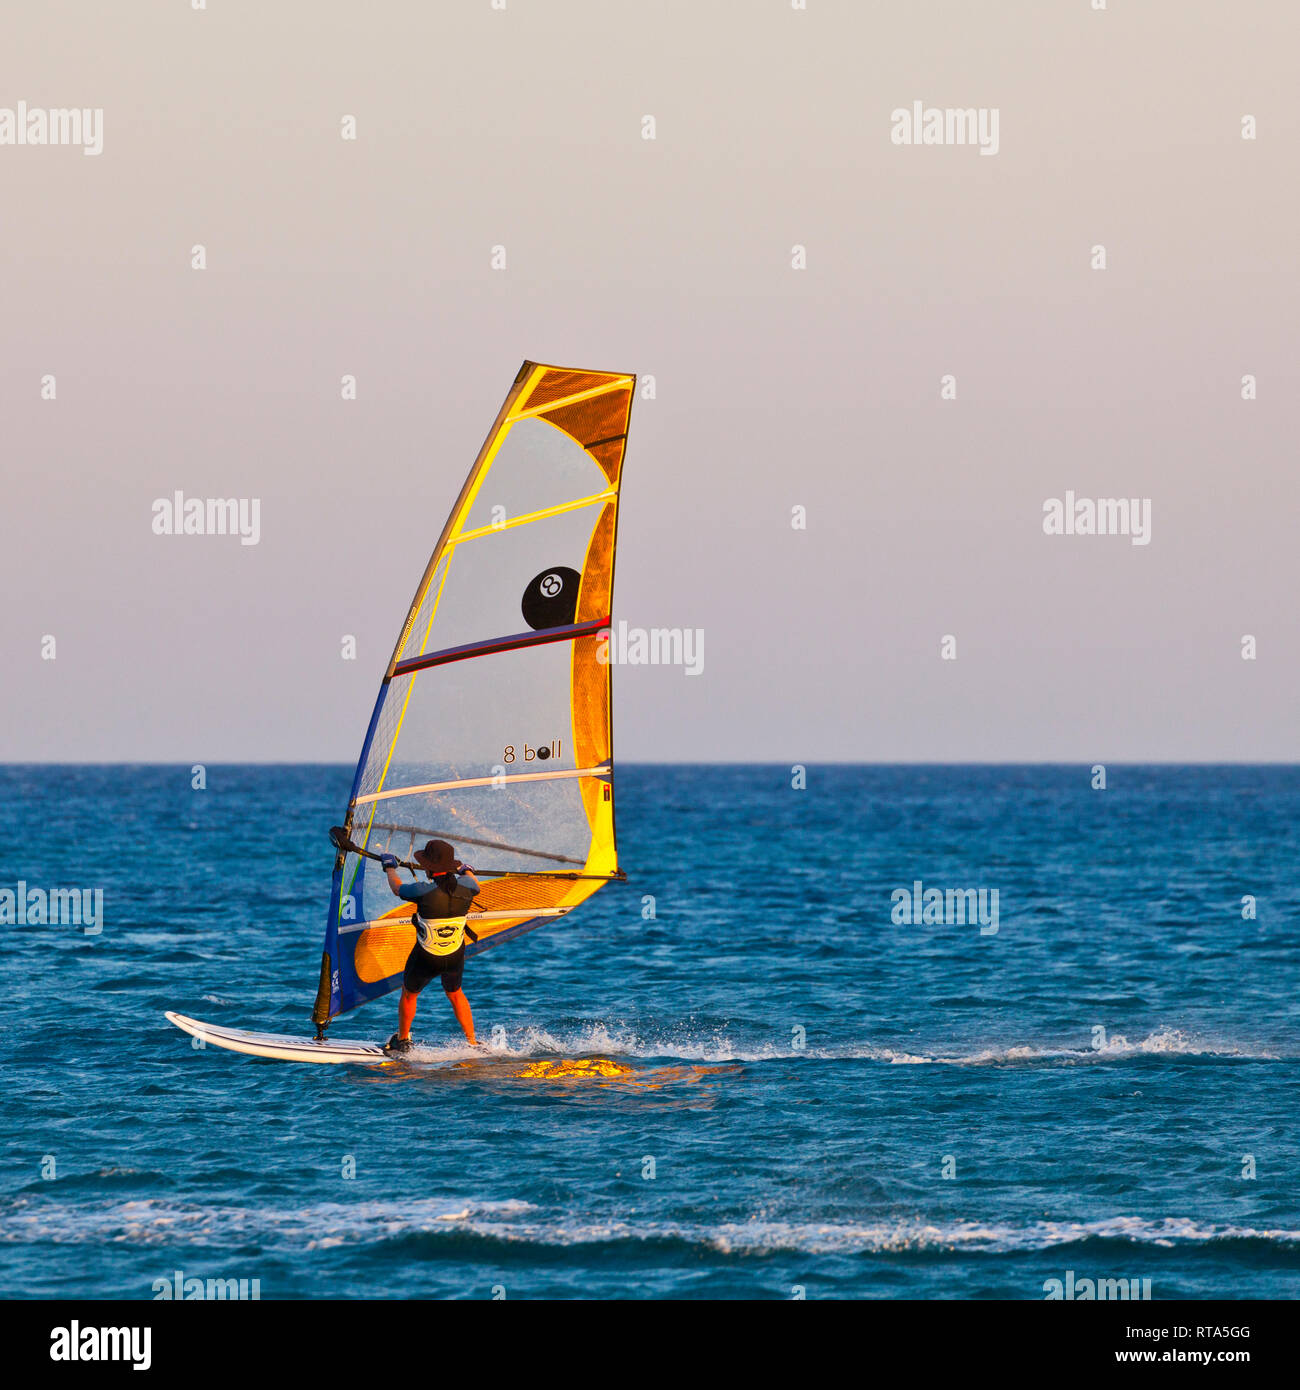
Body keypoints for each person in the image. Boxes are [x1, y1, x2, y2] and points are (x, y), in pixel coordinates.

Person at [381, 839, 481, 1053]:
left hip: (427, 956)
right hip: (455, 954)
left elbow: (397, 888)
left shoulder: (422, 890)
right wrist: (466, 870)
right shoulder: (469, 887)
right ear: (451, 867)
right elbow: (474, 882)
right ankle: (472, 1042)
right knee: (455, 993)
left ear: (428, 867)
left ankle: (404, 1040)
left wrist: (389, 867)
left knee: (409, 994)